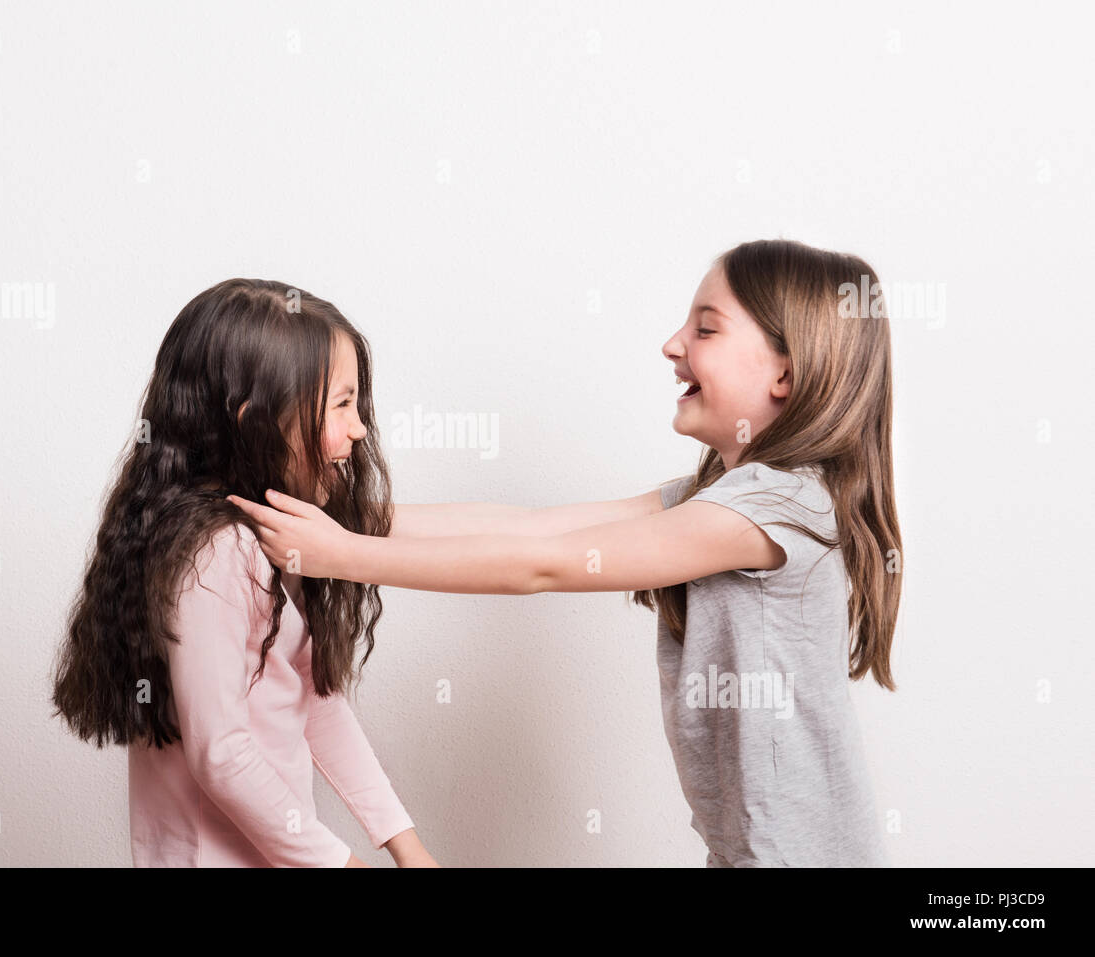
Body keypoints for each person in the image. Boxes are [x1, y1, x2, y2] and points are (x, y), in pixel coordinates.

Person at [231, 239, 901, 867]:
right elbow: (532, 529)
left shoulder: (778, 507)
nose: (673, 344)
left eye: (705, 328)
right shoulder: (722, 497)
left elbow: (542, 566)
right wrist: (341, 521)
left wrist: (339, 554)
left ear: (786, 370)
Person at [51, 279, 435, 867]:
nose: (358, 429)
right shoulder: (221, 551)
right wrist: (343, 864)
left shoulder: (250, 539)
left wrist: (406, 847)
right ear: (253, 419)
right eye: (340, 403)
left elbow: (314, 699)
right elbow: (221, 753)